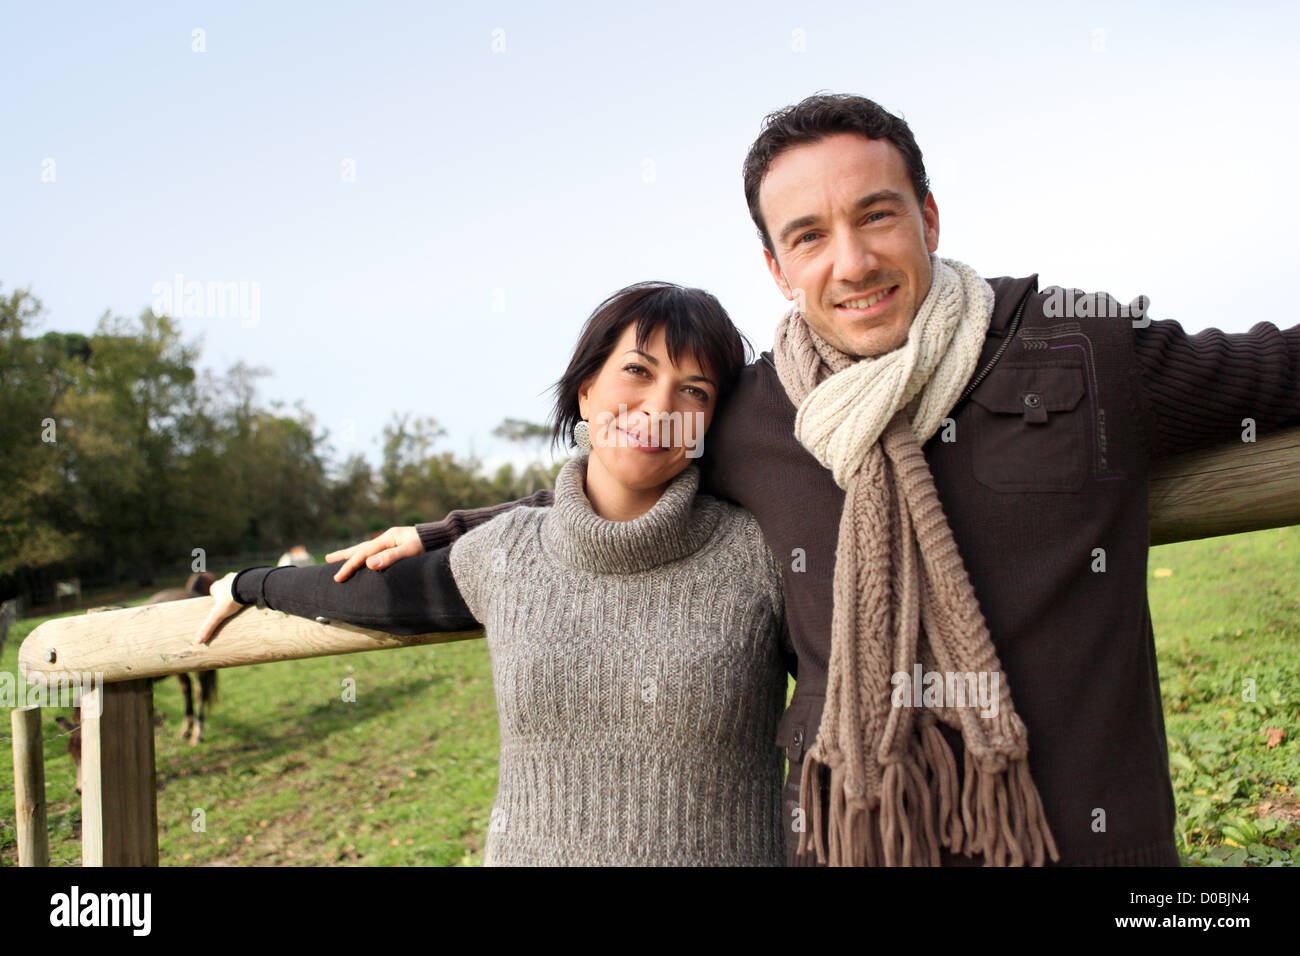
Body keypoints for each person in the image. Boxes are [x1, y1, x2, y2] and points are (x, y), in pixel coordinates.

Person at [327, 93, 1300, 867]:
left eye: (876, 215)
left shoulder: (1082, 346)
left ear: (926, 214)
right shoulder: (752, 412)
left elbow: (1275, 370)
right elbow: (621, 469)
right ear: (774, 263)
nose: (852, 260)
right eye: (808, 235)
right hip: (850, 843)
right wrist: (448, 530)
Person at [195, 281, 793, 866]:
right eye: (637, 370)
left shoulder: (761, 552)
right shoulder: (508, 551)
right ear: (586, 391)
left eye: (694, 390)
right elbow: (376, 592)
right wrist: (251, 584)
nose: (660, 407)